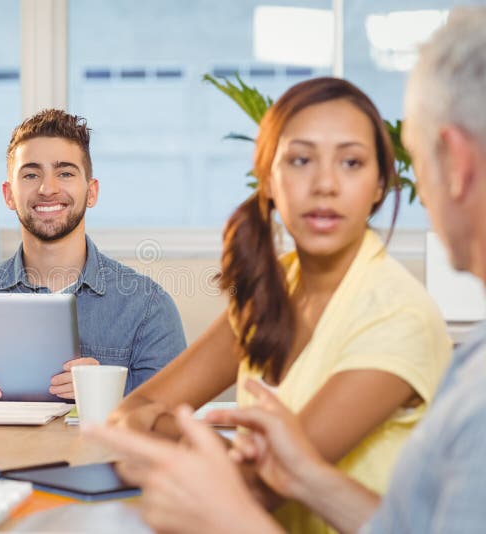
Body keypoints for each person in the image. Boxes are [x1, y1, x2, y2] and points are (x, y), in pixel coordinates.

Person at [88, 6, 486, 533]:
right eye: (300, 160)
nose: (324, 183)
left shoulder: (397, 313)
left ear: (380, 187)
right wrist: (209, 446)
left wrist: (181, 438)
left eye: (350, 162)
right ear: (268, 180)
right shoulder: (274, 283)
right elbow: (129, 416)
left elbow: (258, 488)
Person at [0, 109, 187, 401]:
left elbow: (173, 412)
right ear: (9, 195)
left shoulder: (148, 309)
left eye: (64, 173)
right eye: (30, 174)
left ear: (91, 192)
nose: (47, 189)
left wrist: (107, 391)